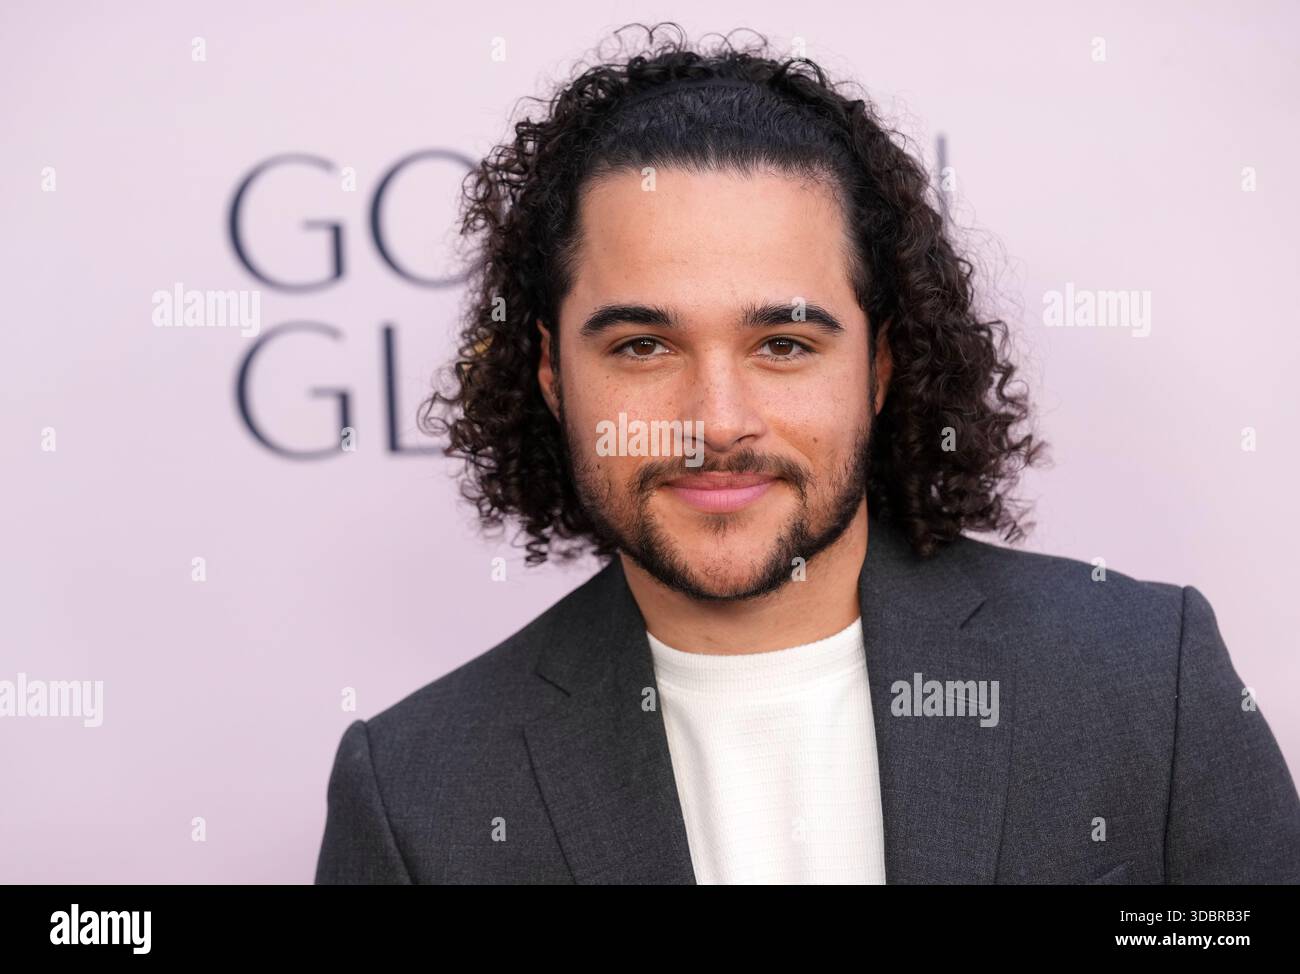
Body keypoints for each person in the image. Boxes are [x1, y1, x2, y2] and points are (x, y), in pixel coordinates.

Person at [314, 23, 1300, 884]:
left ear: (877, 362)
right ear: (549, 372)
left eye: (782, 344)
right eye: (641, 345)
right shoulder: (415, 795)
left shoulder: (1143, 682)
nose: (717, 418)